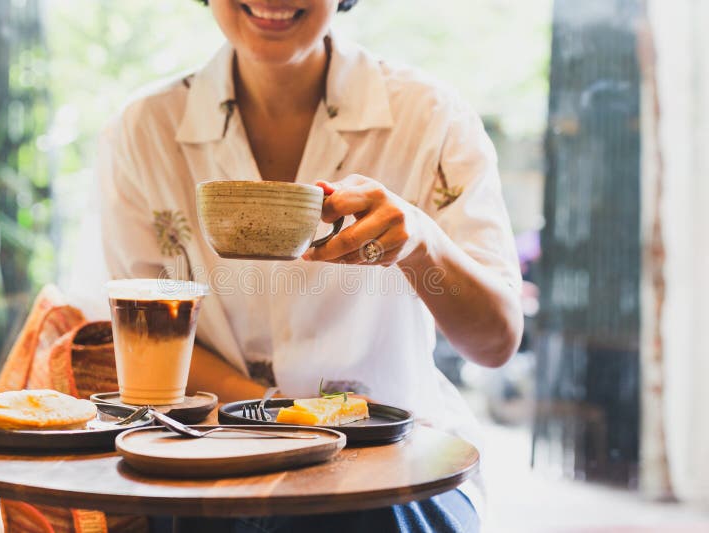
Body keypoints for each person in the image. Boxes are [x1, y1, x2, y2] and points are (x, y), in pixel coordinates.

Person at [99, 1, 523, 531]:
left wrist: (420, 244)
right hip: (207, 460)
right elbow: (141, 331)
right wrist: (285, 418)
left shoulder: (430, 117)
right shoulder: (144, 132)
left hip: (395, 467)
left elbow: (497, 342)